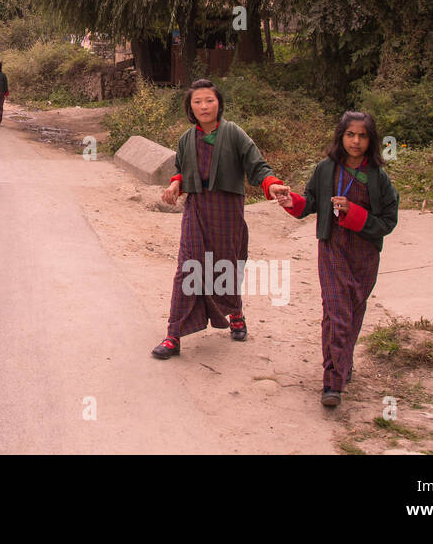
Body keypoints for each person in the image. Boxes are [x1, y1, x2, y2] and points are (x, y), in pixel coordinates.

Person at [152, 79, 288, 360]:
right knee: (187, 267)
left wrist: (271, 184)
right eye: (197, 102)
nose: (204, 106)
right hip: (197, 209)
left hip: (227, 210)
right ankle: (173, 334)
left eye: (209, 101)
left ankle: (235, 313)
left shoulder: (234, 134)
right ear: (190, 107)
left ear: (219, 103)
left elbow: (257, 165)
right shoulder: (187, 138)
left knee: (226, 264)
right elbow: (181, 170)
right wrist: (175, 185)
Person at [275, 111, 399, 408]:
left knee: (354, 309)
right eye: (350, 135)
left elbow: (388, 221)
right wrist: (293, 202)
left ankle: (343, 361)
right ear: (340, 137)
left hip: (365, 252)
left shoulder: (378, 179)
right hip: (332, 247)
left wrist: (353, 212)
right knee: (336, 311)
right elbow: (310, 203)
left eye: (362, 136)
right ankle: (333, 382)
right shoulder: (326, 169)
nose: (355, 141)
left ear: (371, 140)